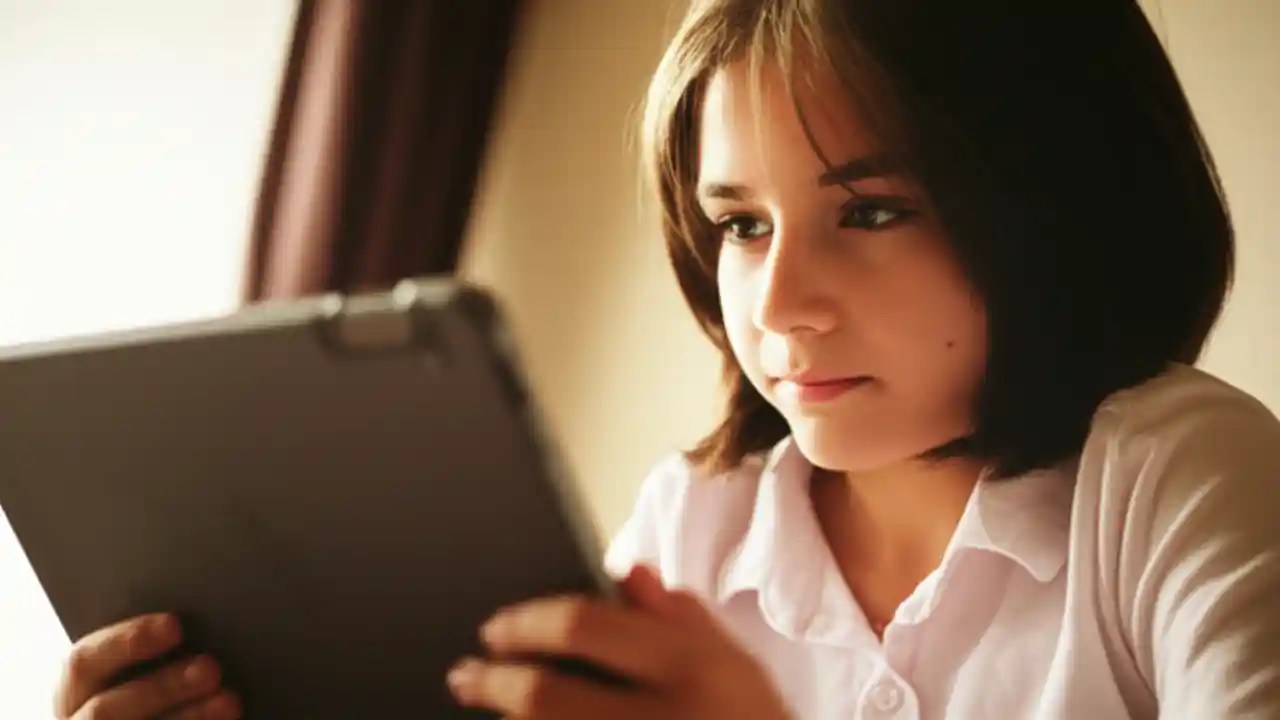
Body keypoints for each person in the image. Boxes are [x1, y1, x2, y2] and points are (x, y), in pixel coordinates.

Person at [53, 1, 1280, 718]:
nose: (779, 303)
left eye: (870, 212)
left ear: (1056, 207)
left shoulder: (1173, 479)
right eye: (739, 225)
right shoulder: (691, 529)